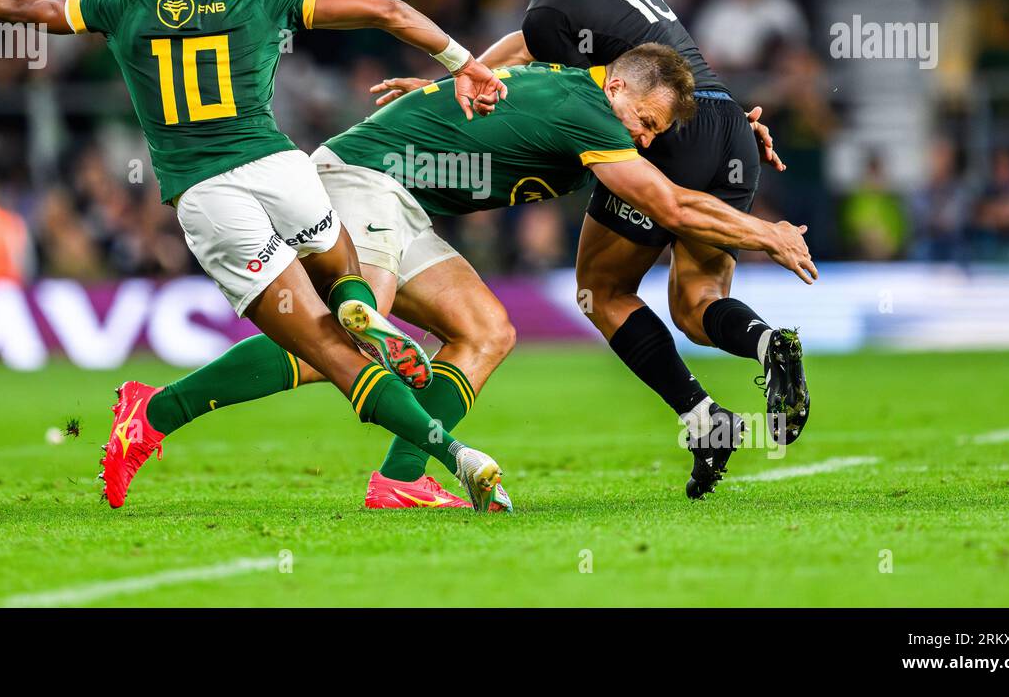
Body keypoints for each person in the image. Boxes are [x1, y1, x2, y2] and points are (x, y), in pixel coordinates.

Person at [0, 0, 510, 512]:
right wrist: (461, 61)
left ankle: (454, 455)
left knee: (325, 350)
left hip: (207, 197)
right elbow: (388, 11)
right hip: (278, 167)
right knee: (340, 268)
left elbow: (32, 5)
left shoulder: (121, 2)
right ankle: (360, 313)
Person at [138, 43, 815, 509]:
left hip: (404, 204)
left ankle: (400, 482)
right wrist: (770, 234)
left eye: (653, 132)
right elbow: (665, 203)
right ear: (617, 89)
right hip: (363, 180)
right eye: (643, 123)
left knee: (486, 331)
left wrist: (735, 126)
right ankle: (155, 411)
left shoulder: (583, 92)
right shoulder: (584, 108)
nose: (643, 140)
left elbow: (519, 49)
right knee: (345, 346)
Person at [375, 0, 814, 497]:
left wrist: (435, 107)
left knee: (601, 292)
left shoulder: (554, 5)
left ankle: (703, 419)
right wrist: (449, 78)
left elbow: (535, 80)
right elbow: (530, 49)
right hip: (723, 118)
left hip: (664, 131)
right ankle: (767, 343)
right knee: (695, 302)